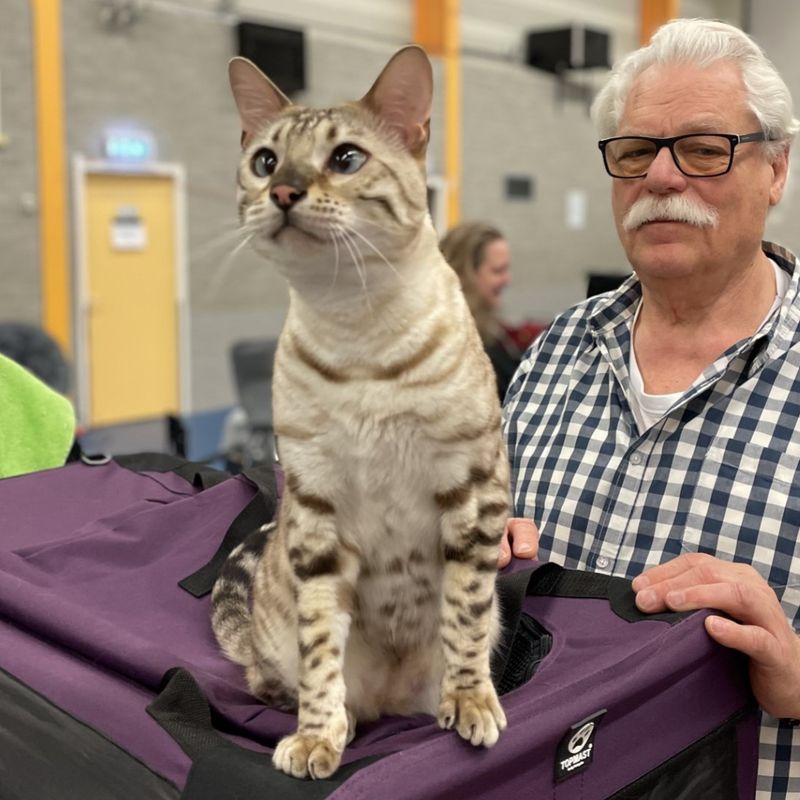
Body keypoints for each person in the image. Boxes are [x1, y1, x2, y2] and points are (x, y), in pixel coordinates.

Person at [499, 18, 799, 799]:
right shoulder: (556, 352)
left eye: (704, 149)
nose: (662, 178)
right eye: (635, 151)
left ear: (776, 168)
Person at [440, 221, 523, 399]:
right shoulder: (457, 346)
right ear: (465, 273)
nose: (507, 280)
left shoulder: (488, 330)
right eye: (498, 271)